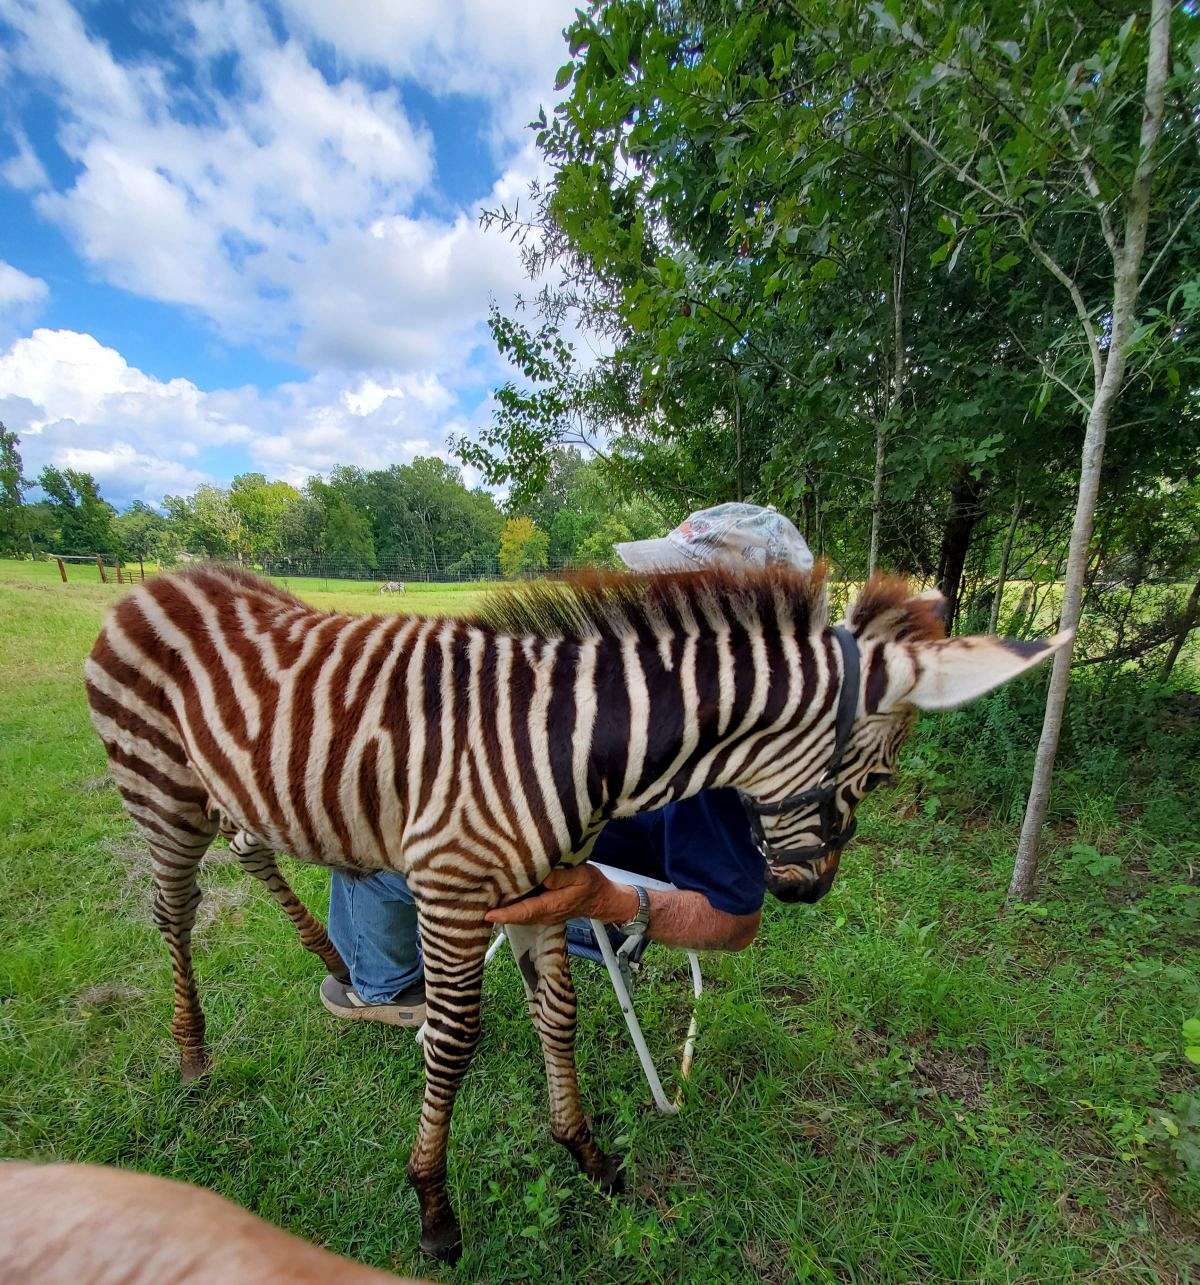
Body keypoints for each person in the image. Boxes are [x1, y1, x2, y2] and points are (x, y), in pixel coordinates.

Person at [319, 503, 815, 1027]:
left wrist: (606, 900)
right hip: (552, 829)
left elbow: (735, 920)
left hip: (568, 869)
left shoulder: (722, 736)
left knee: (369, 843)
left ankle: (387, 989)